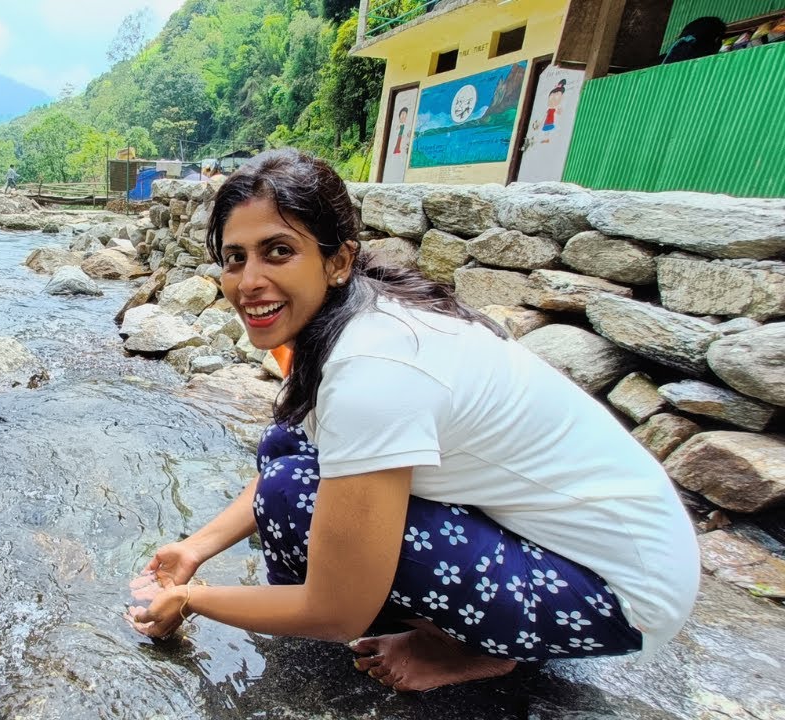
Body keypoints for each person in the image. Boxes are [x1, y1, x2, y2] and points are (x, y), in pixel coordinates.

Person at [128, 148, 699, 693]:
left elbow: (337, 612)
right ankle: (457, 621)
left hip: (615, 598)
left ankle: (474, 648)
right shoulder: (355, 318)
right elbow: (303, 454)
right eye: (236, 257)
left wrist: (192, 599)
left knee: (290, 498)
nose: (248, 281)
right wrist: (196, 548)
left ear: (339, 261)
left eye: (278, 251)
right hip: (565, 544)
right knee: (286, 446)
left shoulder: (373, 369)